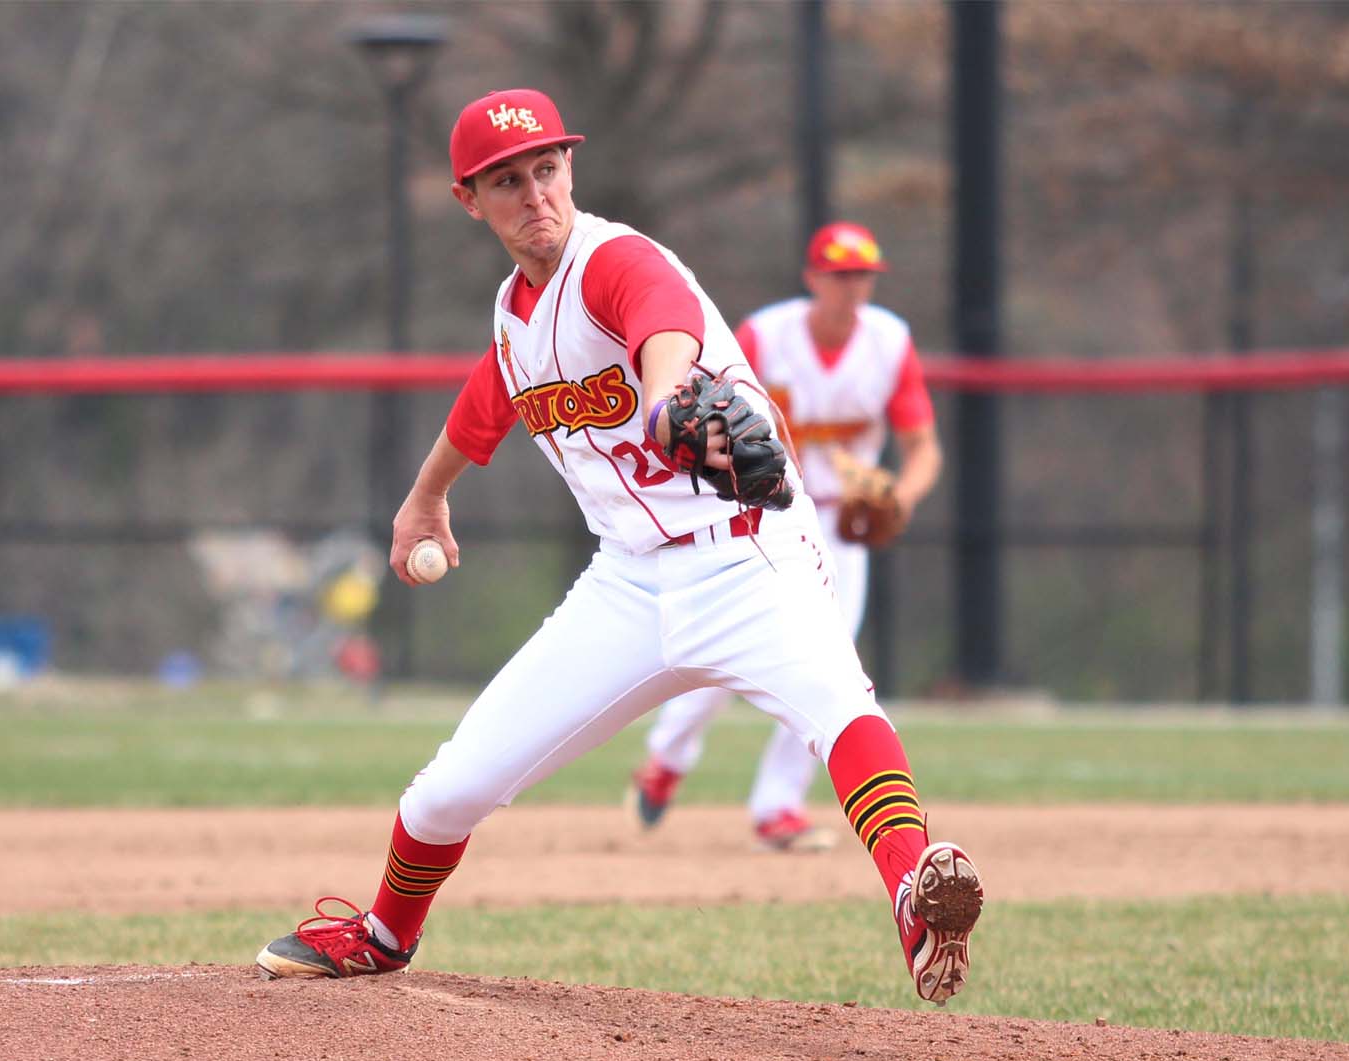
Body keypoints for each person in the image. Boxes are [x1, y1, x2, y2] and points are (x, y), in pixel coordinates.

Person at [254, 89, 983, 1005]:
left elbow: (660, 318)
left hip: (746, 557)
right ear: (469, 200)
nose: (537, 196)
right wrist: (426, 496)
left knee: (838, 709)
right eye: (508, 182)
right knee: (445, 793)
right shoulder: (516, 315)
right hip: (626, 584)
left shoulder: (616, 259)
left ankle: (918, 898)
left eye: (548, 170)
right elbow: (492, 397)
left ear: (571, 169)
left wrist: (667, 398)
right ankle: (384, 934)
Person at [628, 221, 943, 853]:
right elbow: (703, 398)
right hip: (765, 509)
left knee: (830, 666)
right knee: (720, 654)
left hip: (846, 522)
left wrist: (901, 499)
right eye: (840, 275)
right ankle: (667, 757)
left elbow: (922, 447)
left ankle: (778, 806)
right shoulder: (765, 335)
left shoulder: (889, 341)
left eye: (864, 276)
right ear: (813, 279)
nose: (853, 288)